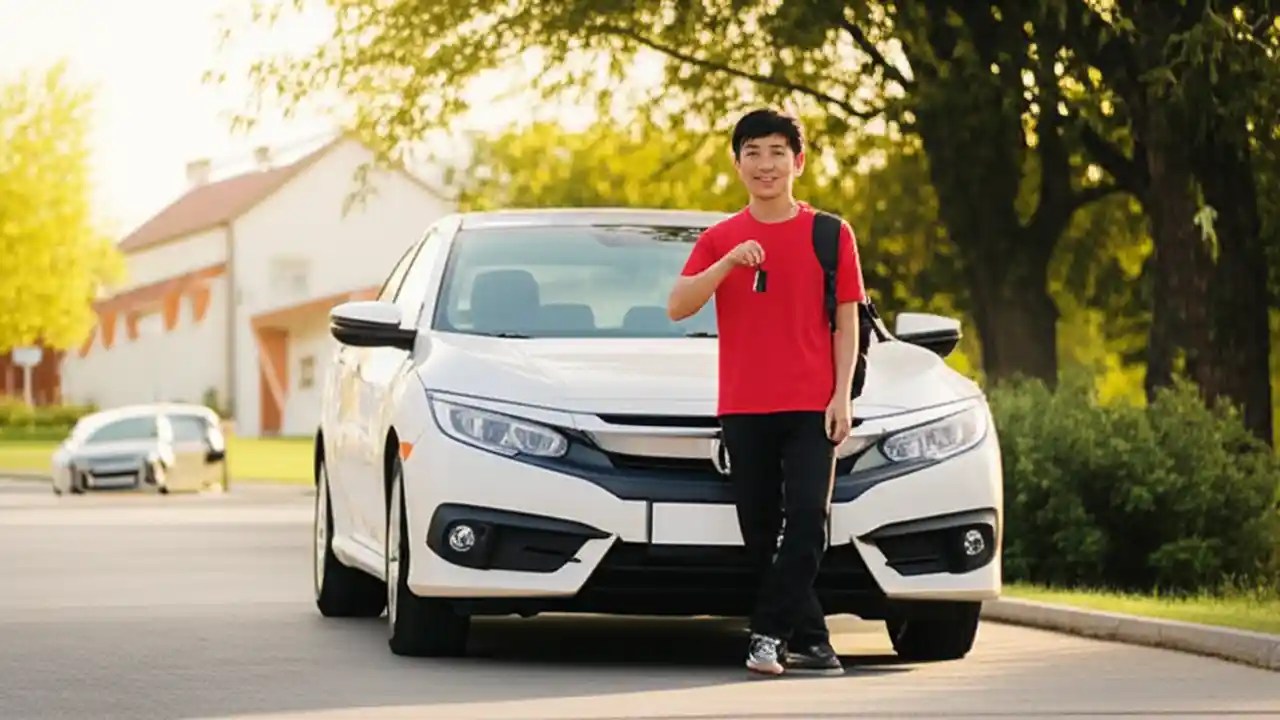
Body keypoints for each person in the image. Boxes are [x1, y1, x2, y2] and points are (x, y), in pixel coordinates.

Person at [667, 107, 866, 676]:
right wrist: (727, 263)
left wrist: (842, 396)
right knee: (759, 530)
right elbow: (678, 306)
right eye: (752, 153)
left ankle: (767, 635)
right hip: (744, 405)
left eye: (778, 152)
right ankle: (813, 639)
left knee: (808, 519)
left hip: (812, 404)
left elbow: (846, 321)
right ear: (737, 164)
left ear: (797, 162)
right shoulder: (720, 239)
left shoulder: (830, 233)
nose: (766, 164)